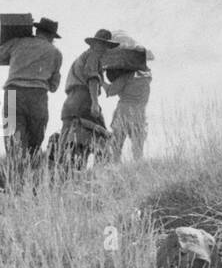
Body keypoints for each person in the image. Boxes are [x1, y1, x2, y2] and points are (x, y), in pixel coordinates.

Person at [0, 17, 62, 160]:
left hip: (13, 94)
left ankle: (15, 174)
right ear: (51, 36)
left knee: (14, 144)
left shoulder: (17, 42)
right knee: (33, 146)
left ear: (37, 30)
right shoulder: (55, 53)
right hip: (38, 97)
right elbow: (54, 87)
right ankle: (28, 175)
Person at [58, 28, 118, 169]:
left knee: (73, 142)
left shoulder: (82, 57)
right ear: (97, 45)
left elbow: (93, 77)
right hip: (83, 101)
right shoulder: (94, 56)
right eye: (104, 46)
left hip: (70, 103)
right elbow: (92, 79)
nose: (105, 50)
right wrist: (95, 103)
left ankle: (70, 174)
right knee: (101, 139)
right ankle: (100, 175)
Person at [104, 31, 153, 161]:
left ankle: (116, 170)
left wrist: (100, 80)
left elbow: (110, 91)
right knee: (138, 149)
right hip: (140, 112)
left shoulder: (126, 76)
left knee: (116, 147)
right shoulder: (147, 75)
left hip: (124, 111)